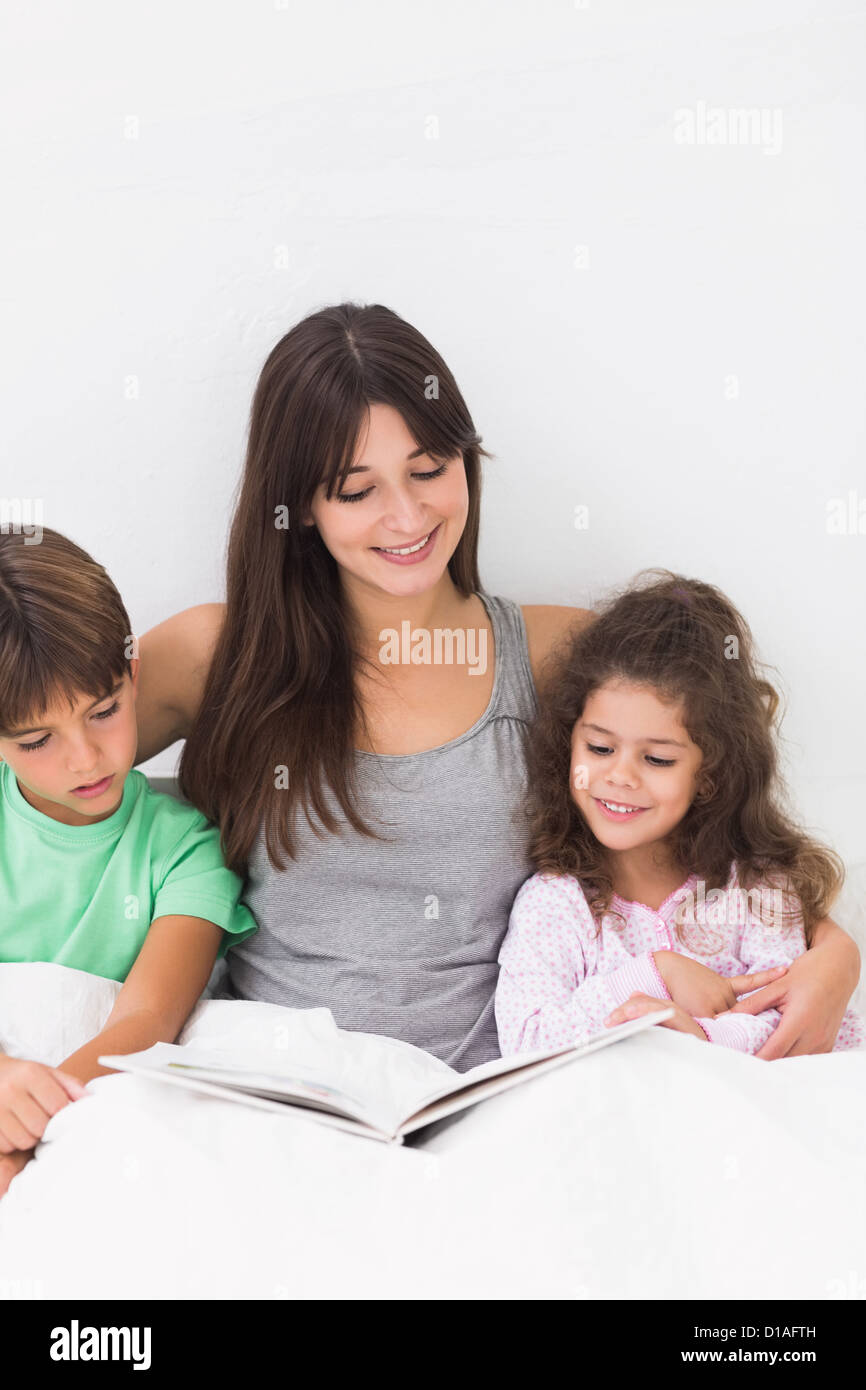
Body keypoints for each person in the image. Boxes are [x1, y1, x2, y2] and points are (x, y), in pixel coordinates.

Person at [131, 302, 860, 1071]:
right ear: (301, 508)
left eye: (428, 470)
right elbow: (40, 752)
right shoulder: (217, 653)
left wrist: (836, 954)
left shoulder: (555, 652)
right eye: (356, 490)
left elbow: (717, 830)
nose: (407, 515)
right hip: (285, 1085)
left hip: (503, 1093)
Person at [495, 572, 865, 1055]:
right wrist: (655, 972)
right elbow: (525, 1044)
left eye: (658, 759)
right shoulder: (556, 904)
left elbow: (788, 1023)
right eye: (600, 747)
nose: (620, 776)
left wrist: (697, 1038)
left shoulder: (757, 889)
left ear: (709, 773)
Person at [0, 527, 257, 1193]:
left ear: (134, 678)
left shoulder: (186, 850)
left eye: (105, 710)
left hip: (83, 1109)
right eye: (36, 739)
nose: (85, 758)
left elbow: (145, 1024)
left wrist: (26, 1128)